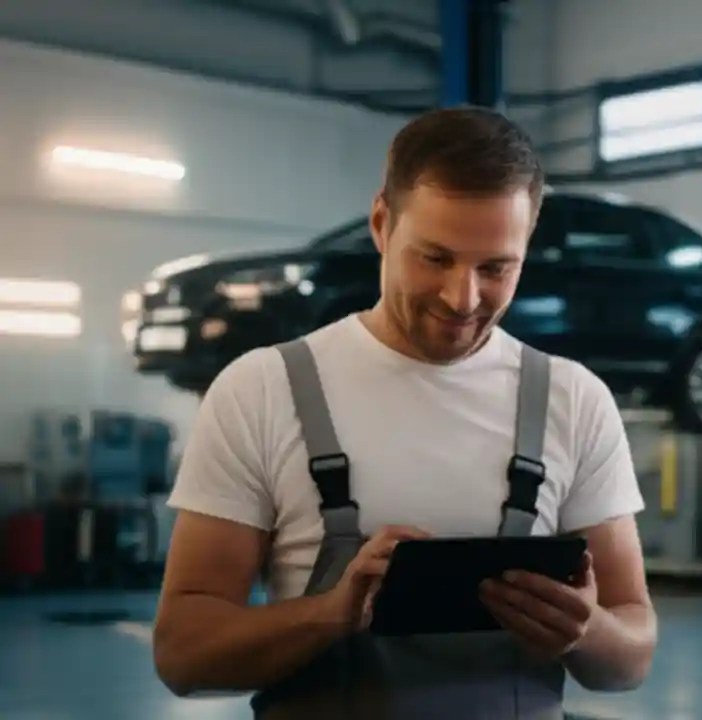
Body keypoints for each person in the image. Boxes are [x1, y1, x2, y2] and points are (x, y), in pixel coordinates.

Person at [152, 107, 657, 719]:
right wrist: (326, 617)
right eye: (435, 258)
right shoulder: (263, 390)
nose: (462, 298)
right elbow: (183, 653)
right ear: (381, 224)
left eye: (496, 267)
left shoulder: (572, 400)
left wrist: (587, 631)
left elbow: (632, 653)